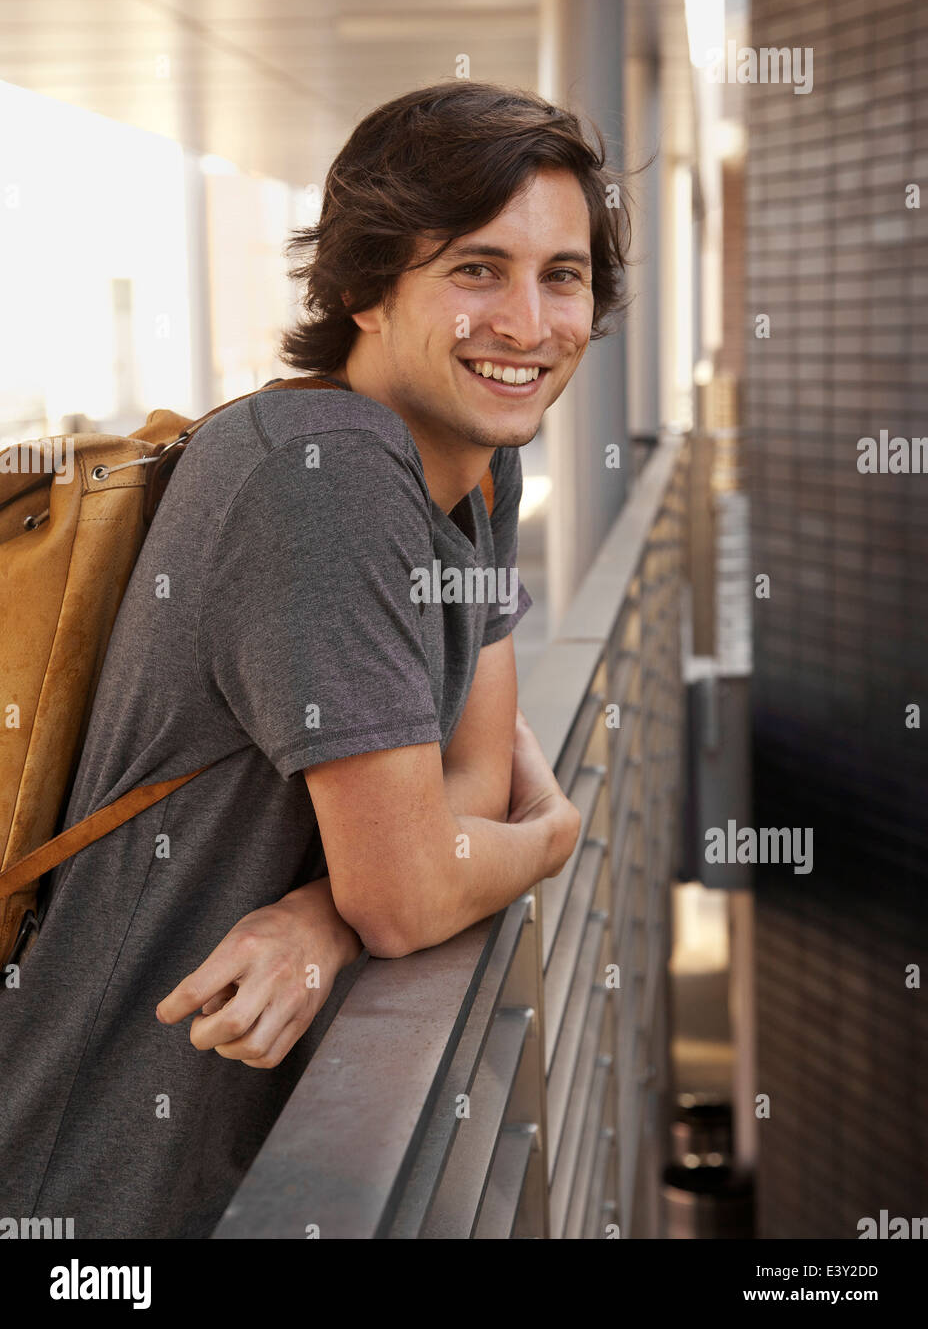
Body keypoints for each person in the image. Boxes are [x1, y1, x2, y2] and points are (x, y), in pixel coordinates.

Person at [0, 79, 631, 1238]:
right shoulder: (325, 476)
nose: (529, 326)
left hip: (237, 1155)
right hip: (85, 1187)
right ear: (360, 287)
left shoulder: (480, 469)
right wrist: (546, 841)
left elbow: (466, 785)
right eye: (474, 270)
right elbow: (421, 881)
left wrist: (325, 914)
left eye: (563, 276)